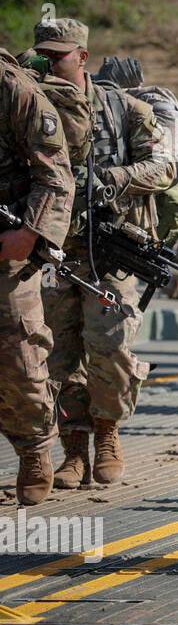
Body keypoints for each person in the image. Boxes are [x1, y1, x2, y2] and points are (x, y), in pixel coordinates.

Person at [29, 18, 175, 489]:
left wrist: (114, 179)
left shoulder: (122, 108)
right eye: (43, 55)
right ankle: (74, 447)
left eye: (59, 56)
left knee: (109, 347)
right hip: (53, 252)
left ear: (83, 58)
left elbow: (165, 167)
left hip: (110, 247)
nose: (49, 63)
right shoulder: (28, 108)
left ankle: (108, 433)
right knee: (59, 354)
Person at [0, 46, 73, 505]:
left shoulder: (15, 92)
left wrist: (29, 234)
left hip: (8, 245)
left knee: (19, 355)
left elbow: (55, 174)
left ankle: (34, 448)